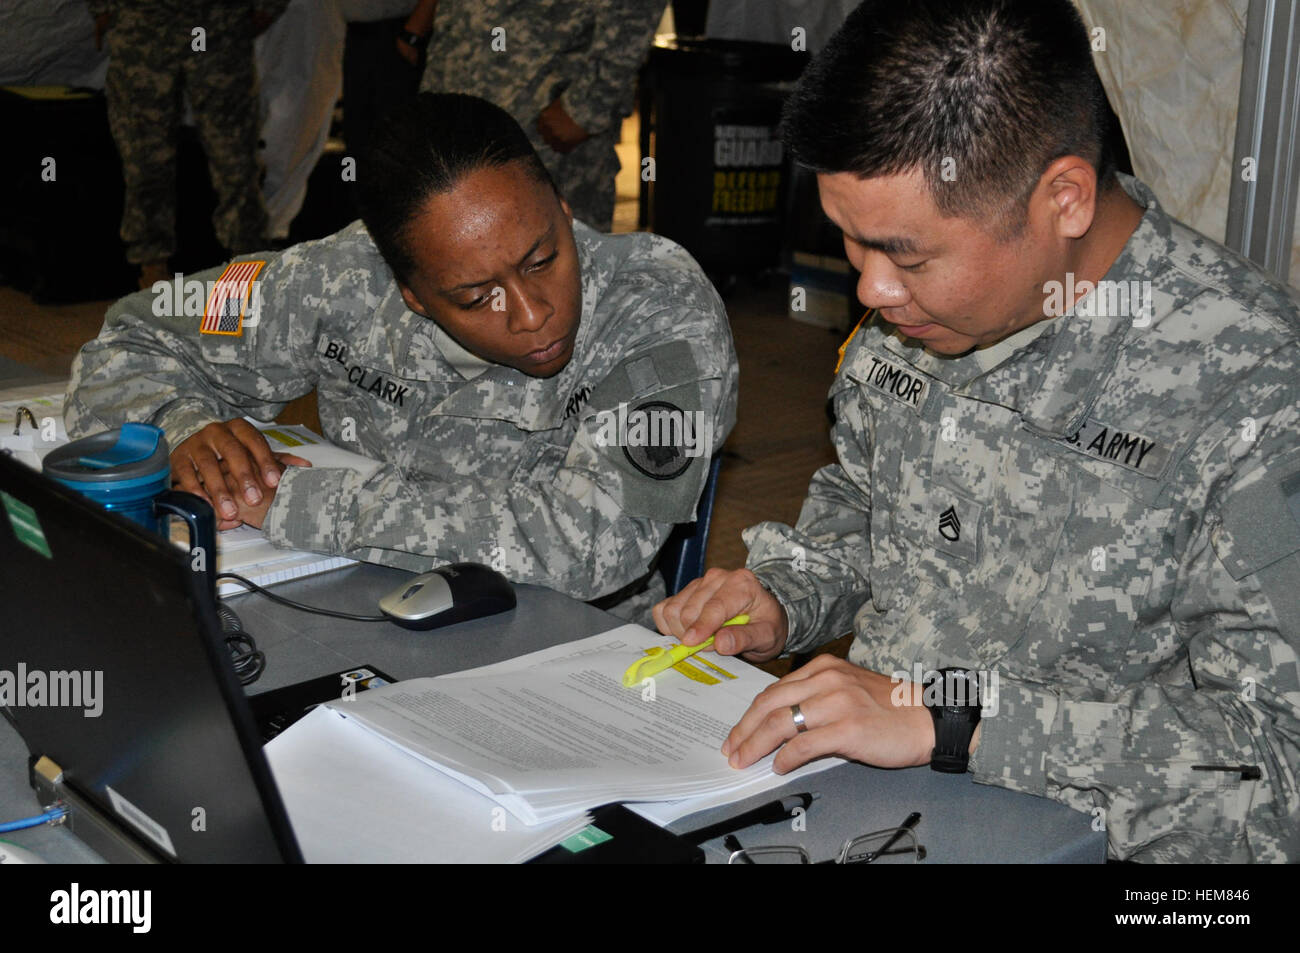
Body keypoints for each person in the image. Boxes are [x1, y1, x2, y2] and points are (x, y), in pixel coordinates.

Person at [654, 0, 1300, 862]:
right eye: (849, 241)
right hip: (860, 816)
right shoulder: (920, 320)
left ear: (1063, 198)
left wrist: (956, 718)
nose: (874, 289)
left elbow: (1278, 765)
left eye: (907, 254)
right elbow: (865, 502)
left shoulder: (1258, 389)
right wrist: (786, 592)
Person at [66, 92, 738, 623]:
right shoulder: (341, 280)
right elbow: (126, 340)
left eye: (544, 259)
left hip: (563, 645)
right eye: (476, 297)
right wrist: (185, 428)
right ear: (410, 294)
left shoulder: (659, 306)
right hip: (352, 602)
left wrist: (282, 498)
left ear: (563, 208)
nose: (532, 313)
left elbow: (595, 541)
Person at [411, 0, 667, 231]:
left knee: (552, 261)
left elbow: (635, 12)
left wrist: (585, 106)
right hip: (454, 109)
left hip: (540, 126)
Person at [89, 0, 286, 288]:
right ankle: (152, 269)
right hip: (143, 24)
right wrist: (102, 8)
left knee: (235, 160)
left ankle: (246, 272)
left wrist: (269, 6)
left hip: (218, 23)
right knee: (144, 157)